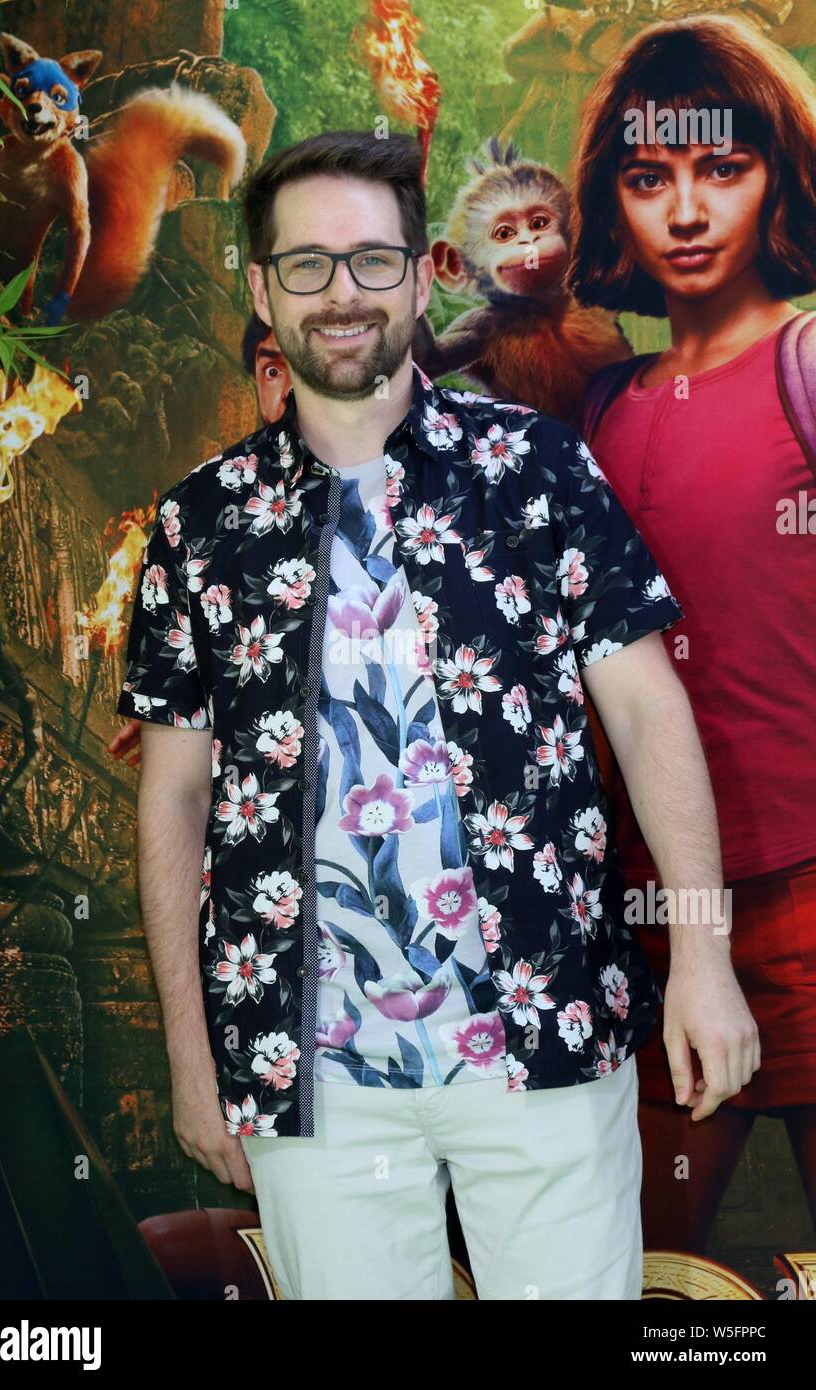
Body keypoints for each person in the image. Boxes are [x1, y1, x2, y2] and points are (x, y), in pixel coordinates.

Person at [115, 129, 758, 1300]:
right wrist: (184, 1045)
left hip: (547, 1030)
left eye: (371, 259)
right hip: (306, 1067)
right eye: (305, 265)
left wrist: (702, 959)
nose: (341, 292)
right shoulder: (199, 526)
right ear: (262, 288)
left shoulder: (540, 469)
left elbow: (648, 713)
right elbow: (174, 792)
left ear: (421, 276)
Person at [569, 15, 816, 1250]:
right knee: (637, 1269)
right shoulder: (597, 408)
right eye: (646, 174)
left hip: (814, 876)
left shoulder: (809, 364)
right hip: (655, 909)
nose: (682, 207)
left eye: (722, 168)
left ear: (780, 174)